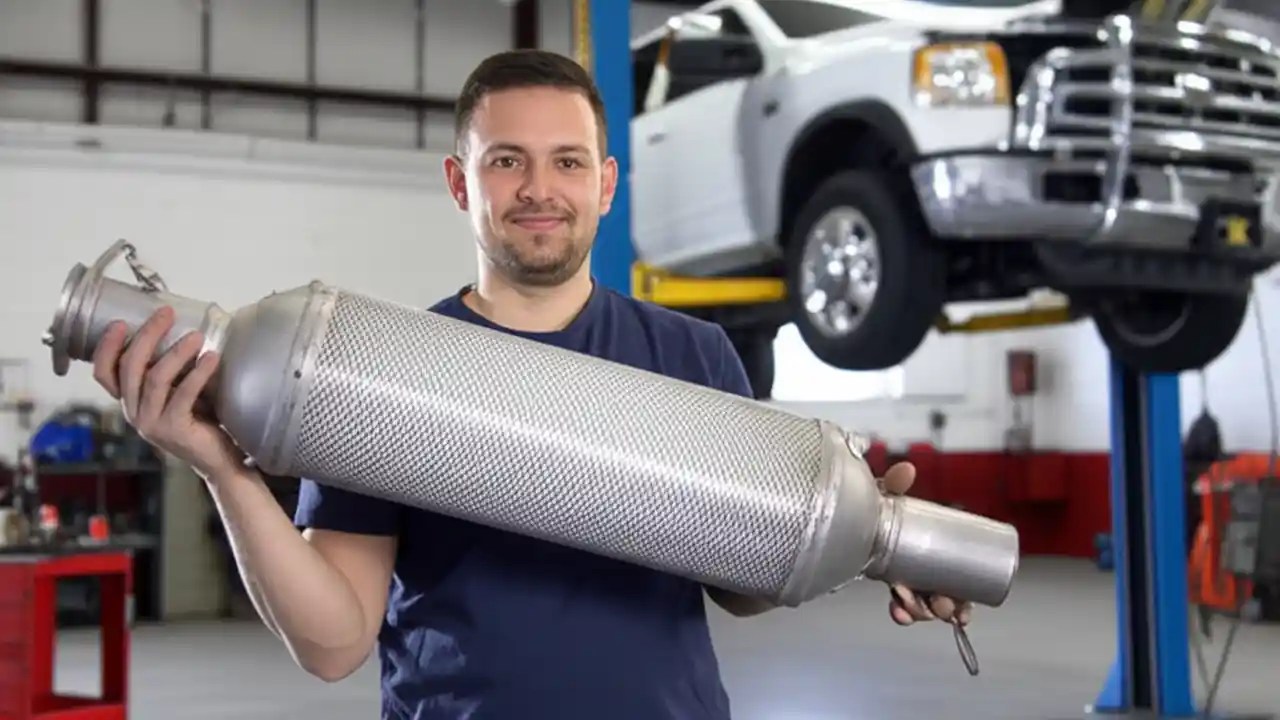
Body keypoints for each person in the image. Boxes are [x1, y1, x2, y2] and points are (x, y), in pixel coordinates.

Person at [88, 49, 972, 719]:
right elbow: (334, 642)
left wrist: (861, 547)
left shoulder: (694, 354)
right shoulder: (379, 374)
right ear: (459, 184)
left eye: (568, 161)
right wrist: (225, 472)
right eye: (506, 160)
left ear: (607, 184)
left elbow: (739, 585)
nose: (539, 189)